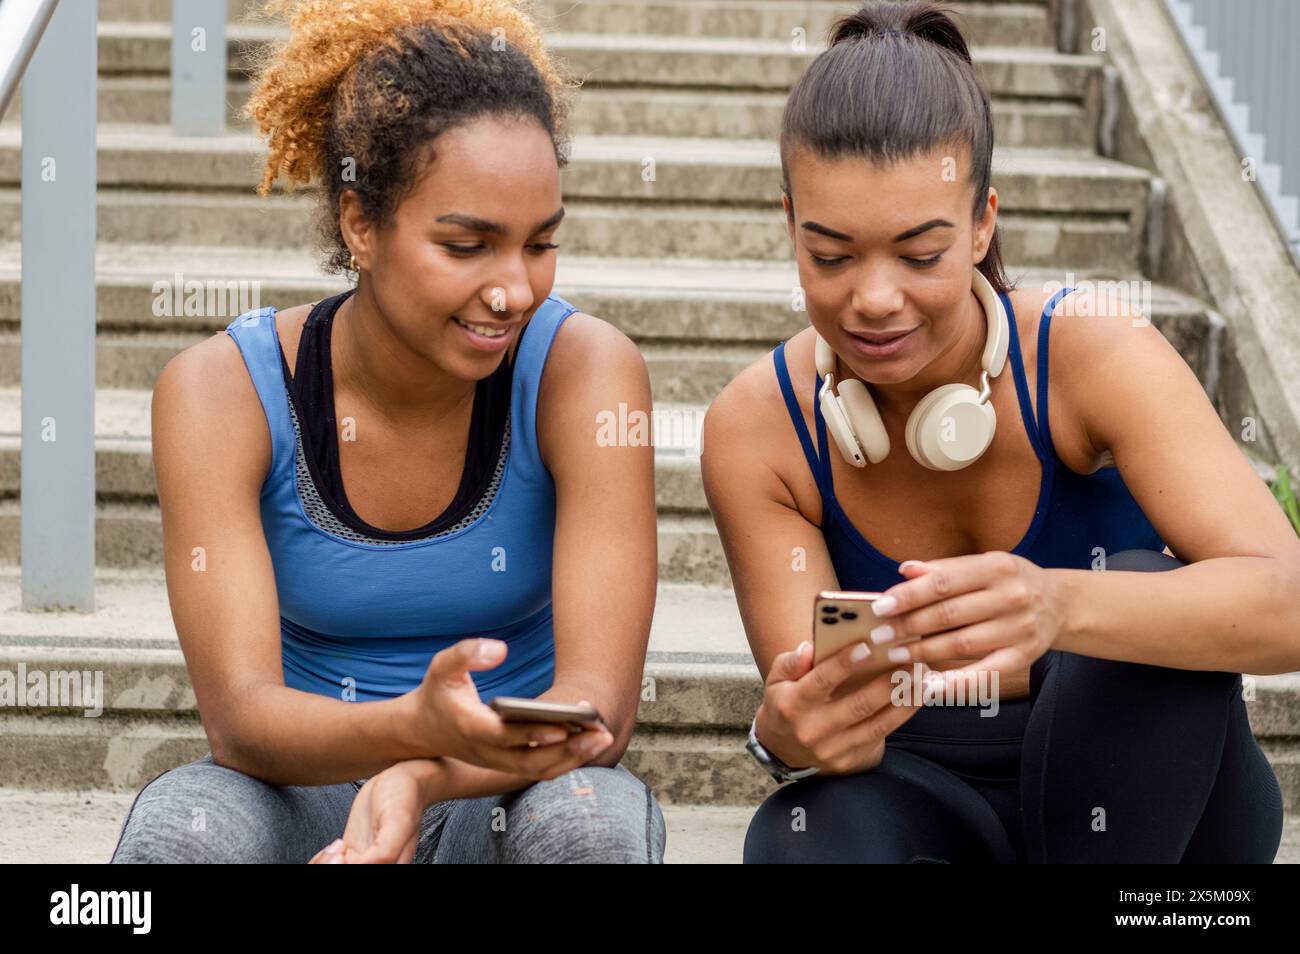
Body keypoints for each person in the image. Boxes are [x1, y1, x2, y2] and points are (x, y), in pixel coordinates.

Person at [700, 0, 1296, 863]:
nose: (872, 299)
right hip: (926, 791)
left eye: (919, 253)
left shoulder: (1093, 349)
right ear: (790, 223)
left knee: (1132, 605)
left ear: (982, 223)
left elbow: (1288, 602)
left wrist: (1059, 607)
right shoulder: (758, 428)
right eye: (830, 255)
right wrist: (789, 733)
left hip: (1166, 810)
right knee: (805, 839)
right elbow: (831, 709)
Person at [111, 0, 664, 864]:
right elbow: (242, 721)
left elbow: (598, 710)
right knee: (182, 832)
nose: (514, 290)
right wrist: (403, 729)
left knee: (593, 824)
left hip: (514, 784)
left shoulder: (584, 372)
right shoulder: (222, 391)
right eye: (467, 245)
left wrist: (421, 772)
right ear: (359, 223)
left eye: (539, 243)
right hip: (303, 788)